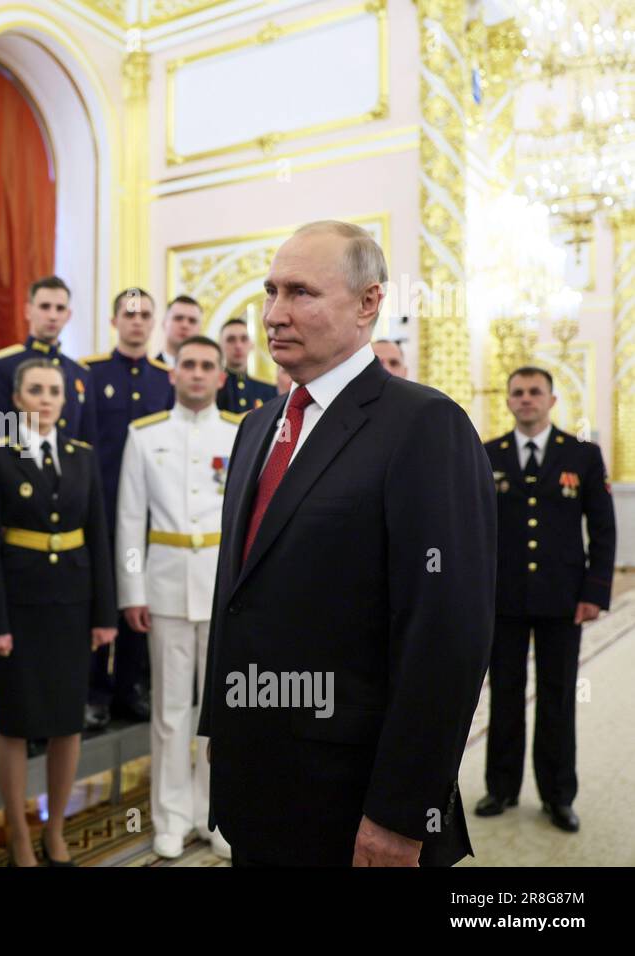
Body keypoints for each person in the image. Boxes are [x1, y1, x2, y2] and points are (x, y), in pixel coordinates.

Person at [200, 220, 496, 866]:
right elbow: (240, 590)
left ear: (369, 303)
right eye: (270, 291)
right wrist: (222, 724)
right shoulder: (257, 427)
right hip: (256, 778)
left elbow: (446, 635)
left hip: (353, 794)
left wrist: (401, 812)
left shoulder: (423, 425)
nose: (274, 314)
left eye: (301, 292)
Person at [0, 359, 117, 866]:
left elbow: (99, 537)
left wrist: (105, 615)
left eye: (54, 391)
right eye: (35, 389)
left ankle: (55, 829)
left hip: (72, 609)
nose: (45, 399)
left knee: (65, 723)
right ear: (17, 399)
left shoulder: (81, 457)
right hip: (19, 610)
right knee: (14, 723)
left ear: (64, 400)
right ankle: (18, 835)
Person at [475, 367, 616, 833]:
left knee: (558, 698)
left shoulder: (582, 455)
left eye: (536, 392)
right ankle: (501, 787)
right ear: (509, 401)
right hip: (503, 600)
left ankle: (558, 795)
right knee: (505, 696)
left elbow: (602, 528)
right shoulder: (487, 454)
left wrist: (595, 591)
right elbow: (474, 531)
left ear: (552, 401)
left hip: (562, 599)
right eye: (518, 392)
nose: (526, 399)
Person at [117, 335, 239, 860]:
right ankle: (169, 816)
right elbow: (128, 520)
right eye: (187, 364)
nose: (195, 373)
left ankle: (217, 815)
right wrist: (132, 589)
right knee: (169, 712)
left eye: (206, 365)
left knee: (222, 714)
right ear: (173, 373)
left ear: (221, 376)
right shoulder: (144, 436)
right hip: (164, 587)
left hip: (223, 586)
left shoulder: (242, 432)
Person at [81, 288, 173, 729]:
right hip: (101, 506)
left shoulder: (166, 378)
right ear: (114, 321)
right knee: (102, 598)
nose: (137, 322)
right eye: (129, 314)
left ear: (153, 323)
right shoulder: (90, 374)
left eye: (145, 315)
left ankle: (129, 688)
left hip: (148, 516)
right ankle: (95, 691)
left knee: (139, 598)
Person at [0, 275, 97, 445]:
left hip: (68, 468)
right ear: (28, 311)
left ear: (68, 315)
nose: (52, 316)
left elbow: (87, 441)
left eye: (60, 308)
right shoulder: (3, 365)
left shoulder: (80, 373)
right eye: (45, 307)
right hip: (19, 464)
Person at [216, 316, 277, 415]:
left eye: (244, 339)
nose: (238, 346)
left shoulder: (269, 391)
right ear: (220, 346)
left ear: (251, 345)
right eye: (231, 339)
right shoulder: (213, 389)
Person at [156, 294, 203, 369]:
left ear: (200, 328)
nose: (185, 325)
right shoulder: (144, 374)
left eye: (192, 321)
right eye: (178, 318)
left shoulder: (211, 376)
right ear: (164, 323)